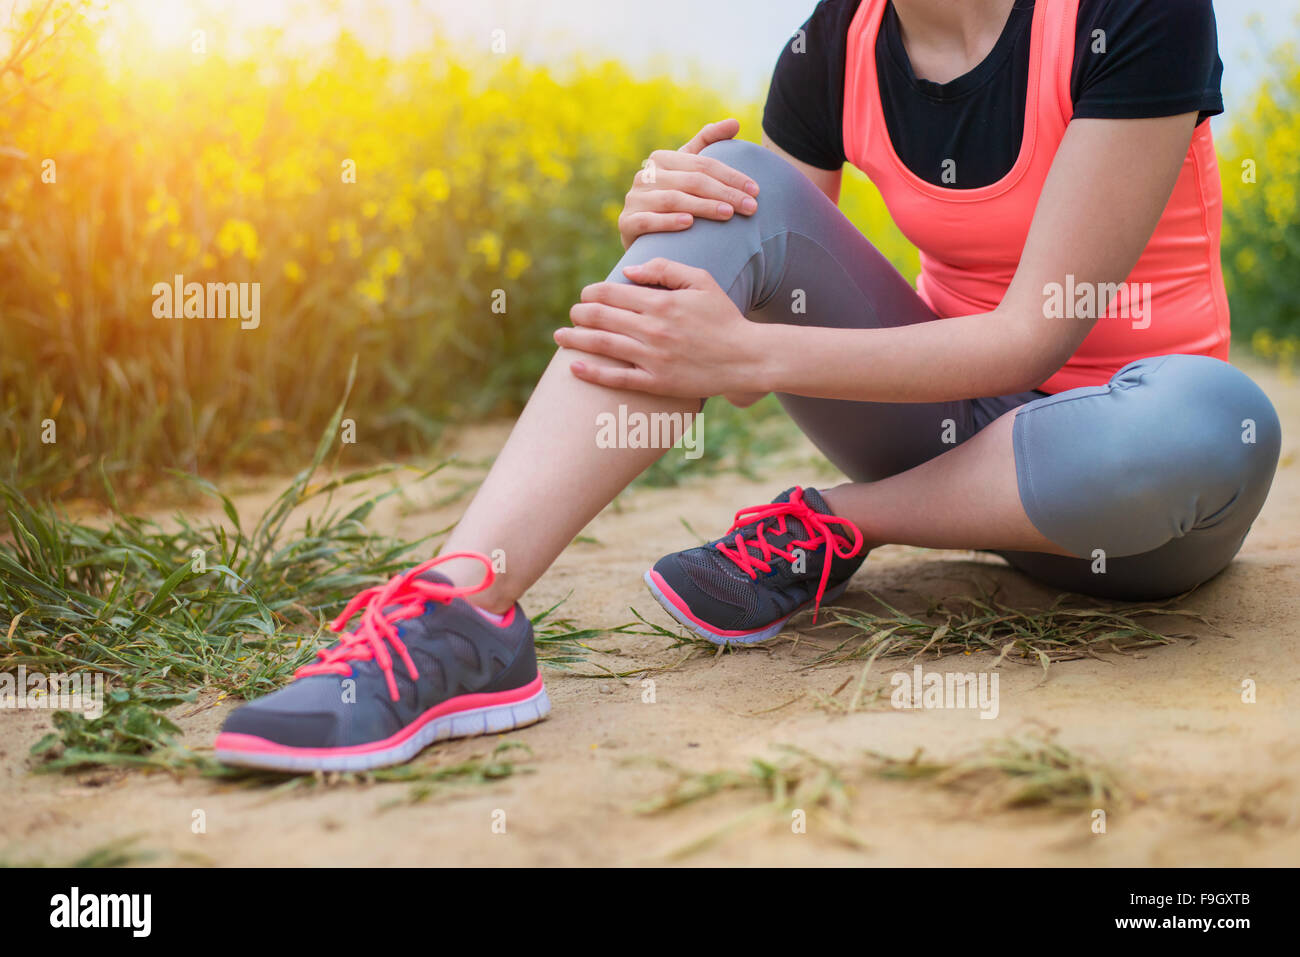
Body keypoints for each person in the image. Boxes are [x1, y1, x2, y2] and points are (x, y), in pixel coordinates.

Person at [215, 0, 1280, 772]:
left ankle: (837, 523)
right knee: (732, 188)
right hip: (942, 430)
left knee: (1215, 422)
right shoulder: (835, 42)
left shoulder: (1136, 13)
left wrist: (750, 359)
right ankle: (461, 611)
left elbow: (1031, 340)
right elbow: (763, 257)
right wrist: (673, 217)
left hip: (1134, 507)